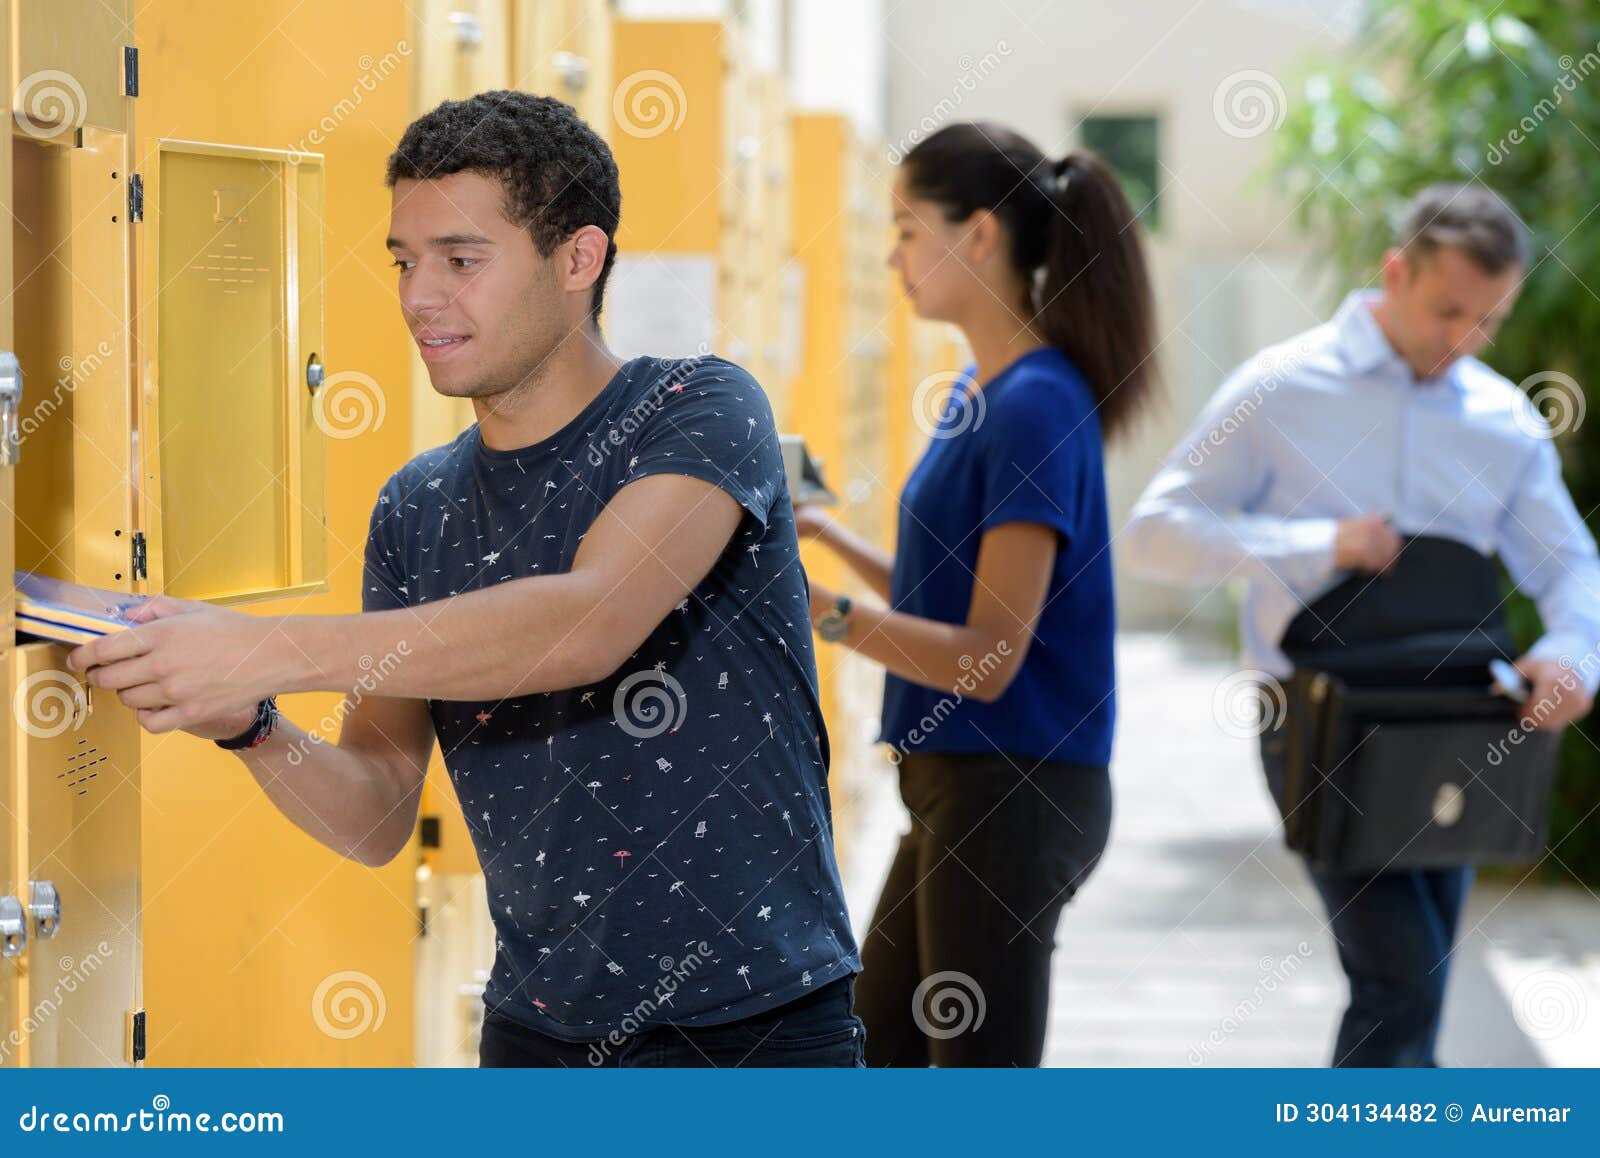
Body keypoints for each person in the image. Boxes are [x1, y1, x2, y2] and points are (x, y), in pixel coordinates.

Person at [67, 91, 865, 1067]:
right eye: (404, 261)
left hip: (759, 1028)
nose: (417, 298)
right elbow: (377, 808)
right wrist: (249, 723)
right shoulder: (416, 507)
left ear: (578, 259)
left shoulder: (695, 409)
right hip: (535, 1035)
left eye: (460, 260)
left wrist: (259, 648)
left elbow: (588, 620)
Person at [1124, 183, 1600, 1067]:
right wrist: (1321, 545)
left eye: (1488, 322)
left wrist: (1573, 655)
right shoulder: (1277, 387)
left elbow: (1570, 563)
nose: (1464, 341)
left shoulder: (1502, 419)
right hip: (1318, 723)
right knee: (1403, 978)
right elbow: (1153, 536)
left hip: (1461, 728)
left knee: (1416, 980)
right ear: (1394, 272)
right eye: (1447, 310)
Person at [796, 122, 1159, 1066]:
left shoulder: (1034, 402)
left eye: (910, 229)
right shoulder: (983, 388)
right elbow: (947, 595)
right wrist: (828, 540)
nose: (892, 255)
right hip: (963, 786)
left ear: (982, 235)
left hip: (1014, 790)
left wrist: (823, 617)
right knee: (873, 1050)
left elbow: (990, 658)